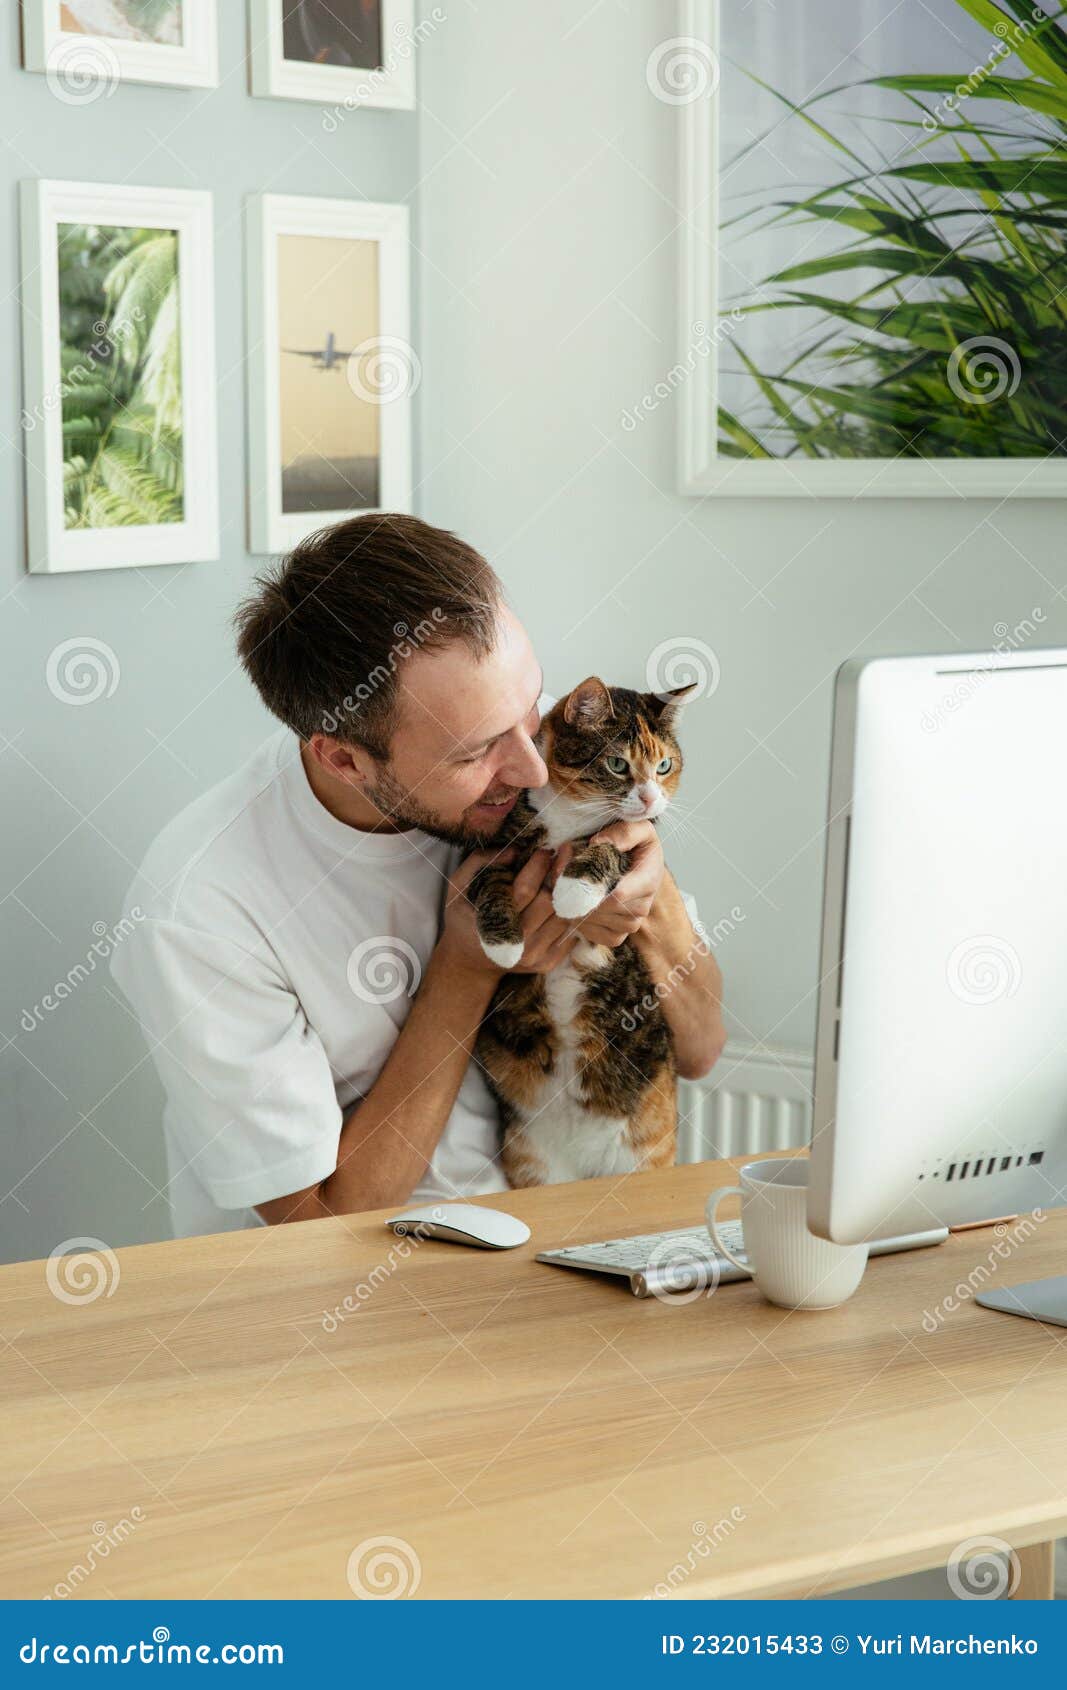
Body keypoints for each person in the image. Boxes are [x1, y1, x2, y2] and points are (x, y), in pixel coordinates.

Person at [112, 514, 725, 1237]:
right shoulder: (201, 904)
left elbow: (699, 1049)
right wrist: (464, 970)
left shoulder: (553, 761)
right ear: (344, 759)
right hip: (344, 1308)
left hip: (555, 1248)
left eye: (528, 706)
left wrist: (655, 911)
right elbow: (320, 1224)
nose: (531, 768)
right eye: (476, 752)